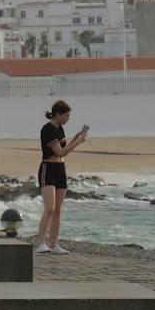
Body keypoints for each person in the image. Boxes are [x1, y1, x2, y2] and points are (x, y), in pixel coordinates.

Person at [34, 100, 88, 254]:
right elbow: (59, 152)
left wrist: (76, 138)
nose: (68, 118)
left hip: (60, 168)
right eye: (66, 115)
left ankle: (53, 243)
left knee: (57, 210)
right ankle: (41, 243)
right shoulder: (48, 129)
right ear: (57, 114)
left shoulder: (60, 129)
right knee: (49, 208)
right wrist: (77, 142)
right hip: (48, 168)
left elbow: (64, 148)